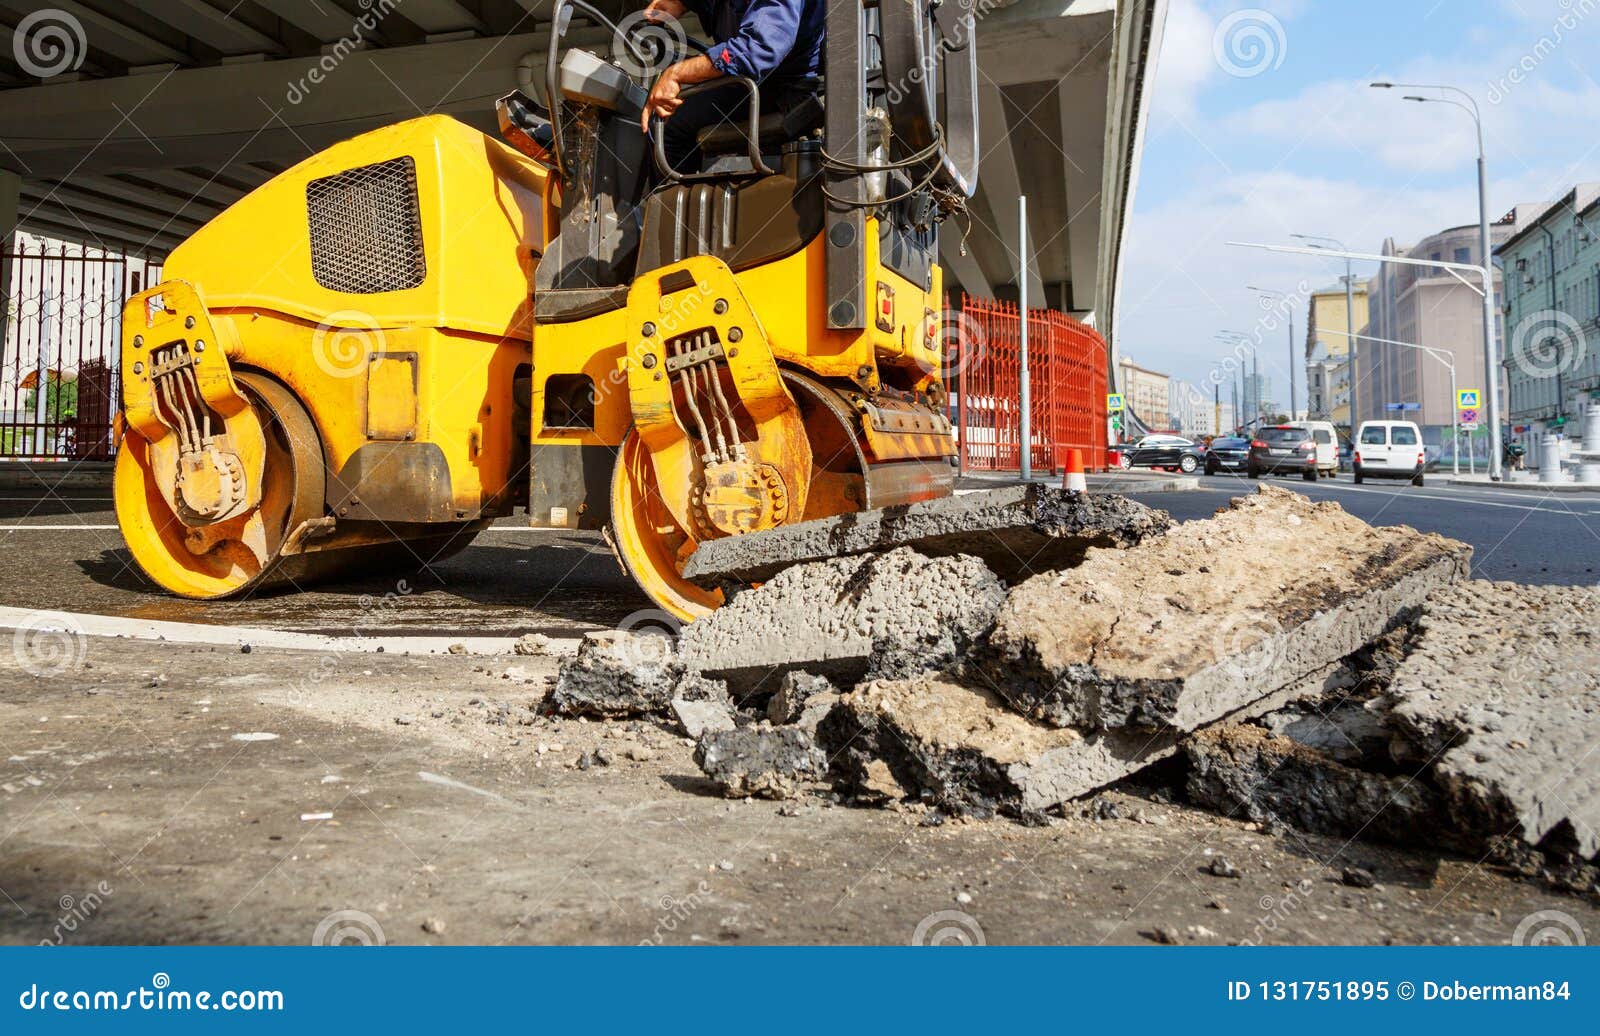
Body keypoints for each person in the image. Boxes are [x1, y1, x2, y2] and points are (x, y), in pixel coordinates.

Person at [637, 0, 824, 171]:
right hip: (752, 81)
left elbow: (758, 49)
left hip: (782, 89)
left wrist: (676, 74)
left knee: (666, 125)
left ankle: (669, 204)